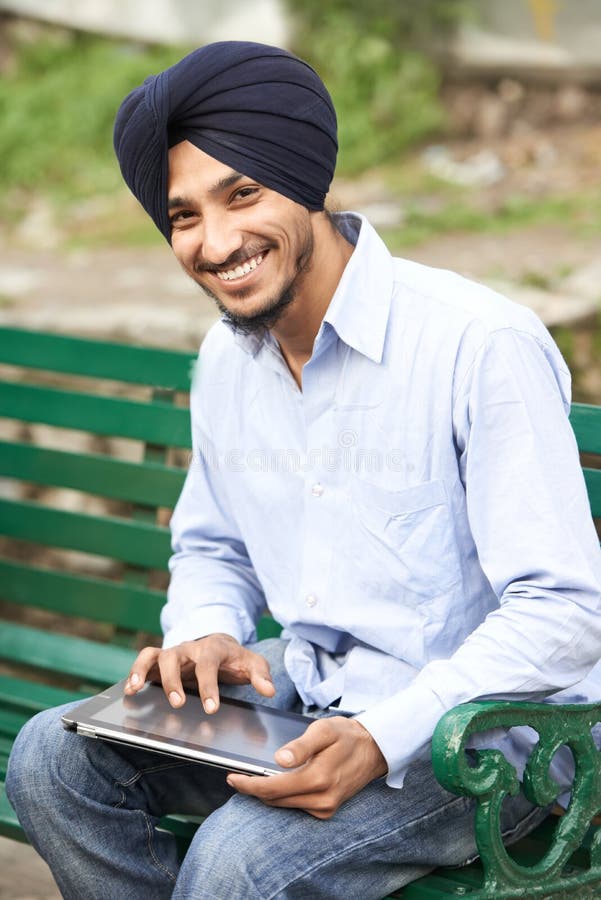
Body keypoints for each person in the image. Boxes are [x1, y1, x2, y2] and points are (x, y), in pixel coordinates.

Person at [6, 40, 601, 900]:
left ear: (305, 180)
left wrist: (380, 736)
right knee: (53, 760)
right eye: (183, 216)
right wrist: (206, 632)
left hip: (484, 740)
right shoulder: (227, 358)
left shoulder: (476, 345)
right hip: (314, 691)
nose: (216, 243)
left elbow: (565, 611)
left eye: (241, 194)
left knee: (235, 861)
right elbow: (211, 546)